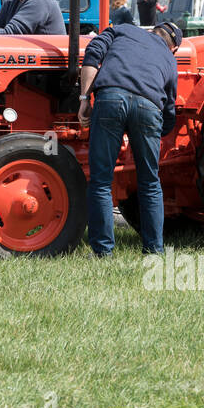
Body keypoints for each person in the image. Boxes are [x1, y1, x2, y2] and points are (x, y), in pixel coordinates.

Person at [78, 20, 180, 256]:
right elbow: (170, 108)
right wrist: (156, 132)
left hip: (111, 96)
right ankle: (154, 250)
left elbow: (93, 52)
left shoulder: (123, 29)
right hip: (149, 107)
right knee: (150, 183)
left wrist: (84, 99)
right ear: (173, 47)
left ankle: (103, 252)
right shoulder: (169, 60)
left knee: (101, 180)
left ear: (153, 29)